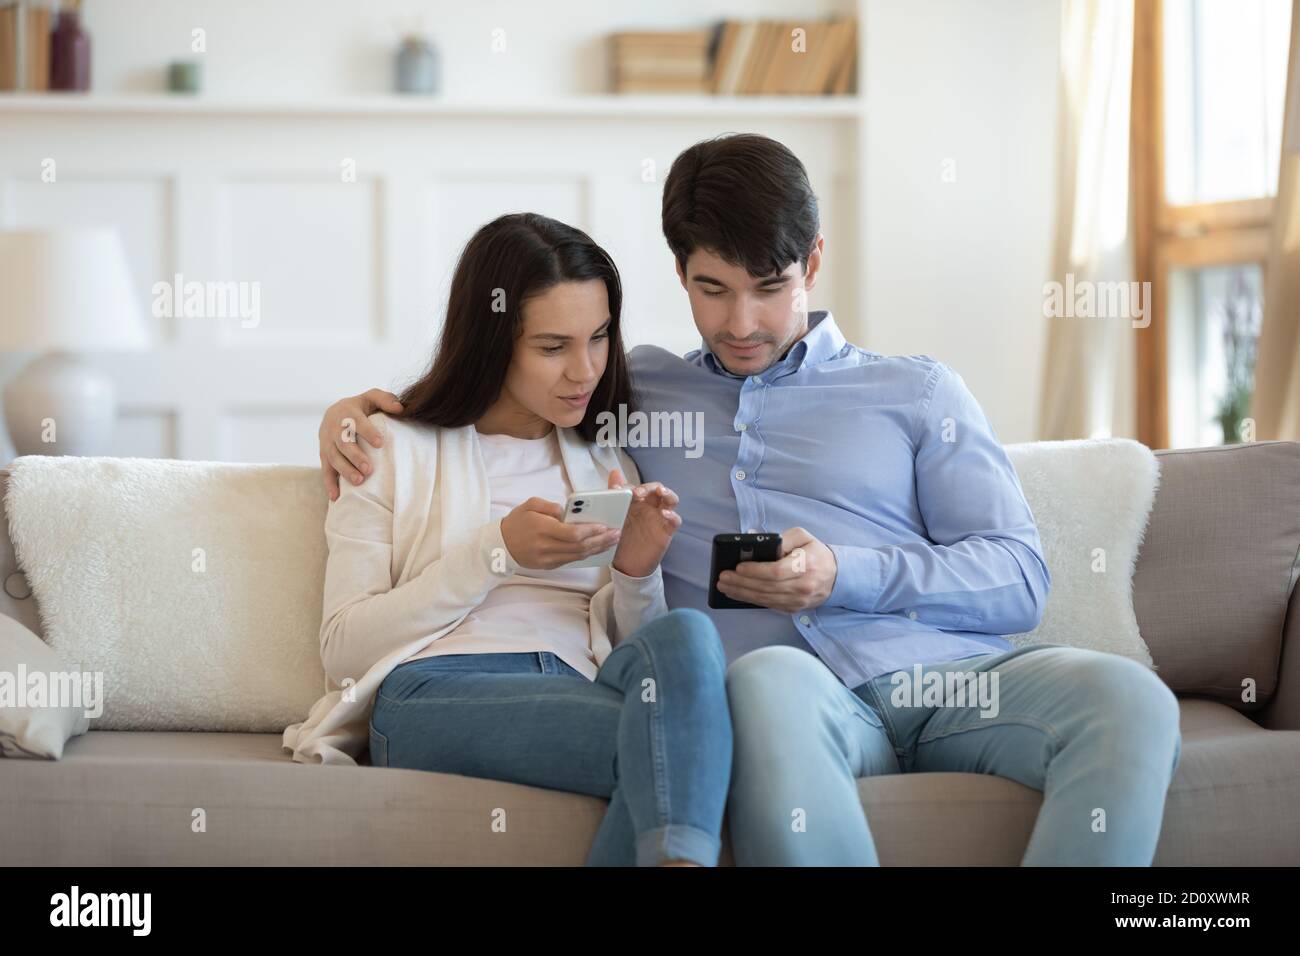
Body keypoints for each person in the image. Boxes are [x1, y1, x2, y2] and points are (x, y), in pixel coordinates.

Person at [316, 134, 1183, 866]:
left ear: (811, 261)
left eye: (770, 287)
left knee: (1132, 699)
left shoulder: (916, 393)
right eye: (712, 289)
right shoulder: (629, 394)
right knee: (764, 681)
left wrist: (847, 571)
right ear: (681, 275)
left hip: (945, 679)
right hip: (787, 697)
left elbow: (1018, 578)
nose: (741, 324)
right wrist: (357, 411)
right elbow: (502, 387)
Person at [285, 212, 732, 867]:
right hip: (434, 692)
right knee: (680, 742)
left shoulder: (607, 464)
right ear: (493, 340)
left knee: (687, 645)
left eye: (600, 337)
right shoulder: (385, 450)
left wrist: (636, 570)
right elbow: (343, 652)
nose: (584, 370)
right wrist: (496, 552)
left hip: (580, 689)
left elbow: (634, 652)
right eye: (553, 347)